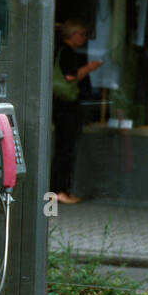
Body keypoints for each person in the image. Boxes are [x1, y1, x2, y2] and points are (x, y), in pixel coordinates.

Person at [51, 19, 102, 204]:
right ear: (72, 34)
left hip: (63, 105)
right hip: (66, 106)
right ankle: (59, 189)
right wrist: (89, 68)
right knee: (65, 148)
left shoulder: (62, 50)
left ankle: (60, 188)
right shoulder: (67, 52)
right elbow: (71, 77)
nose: (84, 38)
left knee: (65, 148)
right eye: (81, 34)